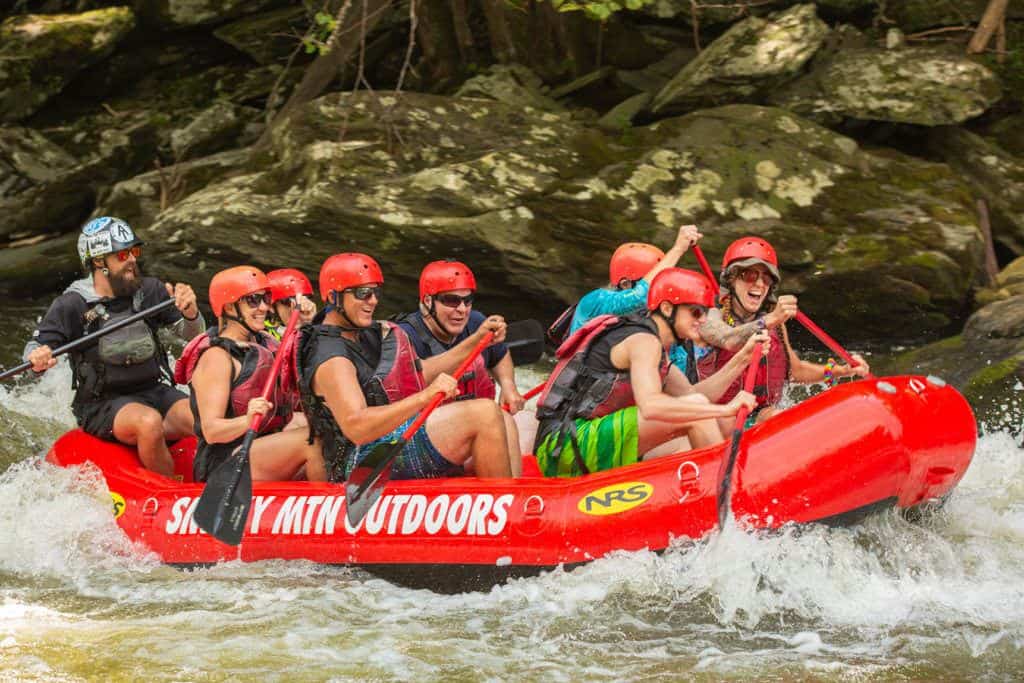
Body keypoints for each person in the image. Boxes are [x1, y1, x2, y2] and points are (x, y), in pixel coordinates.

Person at [293, 253, 515, 482]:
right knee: (484, 413)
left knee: (503, 418)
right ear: (332, 297)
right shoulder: (331, 356)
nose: (373, 301)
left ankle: (519, 498)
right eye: (363, 293)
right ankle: (505, 507)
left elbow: (420, 373)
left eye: (375, 292)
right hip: (359, 460)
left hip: (388, 437)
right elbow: (357, 427)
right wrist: (424, 397)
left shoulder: (364, 334)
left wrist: (477, 340)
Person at [534, 268, 764, 478]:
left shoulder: (659, 350)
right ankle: (728, 490)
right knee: (700, 414)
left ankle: (700, 495)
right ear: (666, 309)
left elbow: (694, 394)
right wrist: (724, 407)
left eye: (704, 313)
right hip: (563, 446)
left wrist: (742, 358)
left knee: (713, 422)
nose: (703, 320)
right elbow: (651, 406)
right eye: (695, 312)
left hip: (587, 442)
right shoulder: (643, 342)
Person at [23, 216, 204, 477]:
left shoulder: (150, 291)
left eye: (134, 251)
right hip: (102, 404)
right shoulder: (72, 305)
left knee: (203, 417)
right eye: (122, 254)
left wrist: (191, 313)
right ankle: (172, 493)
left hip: (154, 390)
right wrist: (36, 357)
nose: (132, 259)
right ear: (98, 262)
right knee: (149, 422)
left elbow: (194, 336)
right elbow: (34, 349)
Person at [698, 236, 870, 428]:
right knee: (773, 417)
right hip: (721, 422)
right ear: (731, 279)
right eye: (750, 275)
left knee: (780, 415)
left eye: (766, 278)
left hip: (763, 417)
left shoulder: (776, 326)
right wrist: (772, 319)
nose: (759, 284)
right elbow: (727, 339)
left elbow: (795, 372)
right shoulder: (708, 318)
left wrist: (840, 371)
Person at [174, 266, 326, 483]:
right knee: (313, 441)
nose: (264, 307)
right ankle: (328, 507)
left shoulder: (265, 342)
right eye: (253, 301)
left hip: (263, 443)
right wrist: (246, 421)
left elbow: (307, 373)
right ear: (228, 308)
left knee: (325, 426)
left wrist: (309, 325)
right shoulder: (217, 358)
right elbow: (211, 431)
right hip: (226, 461)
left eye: (265, 298)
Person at [563, 225, 706, 379]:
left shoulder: (659, 324)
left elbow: (681, 372)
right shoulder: (595, 301)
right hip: (581, 392)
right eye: (657, 283)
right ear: (625, 284)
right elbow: (637, 297)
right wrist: (678, 249)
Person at [265, 268, 317, 341]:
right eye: (288, 302)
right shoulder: (261, 333)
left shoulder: (316, 328)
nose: (299, 308)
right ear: (271, 306)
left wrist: (311, 322)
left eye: (305, 299)